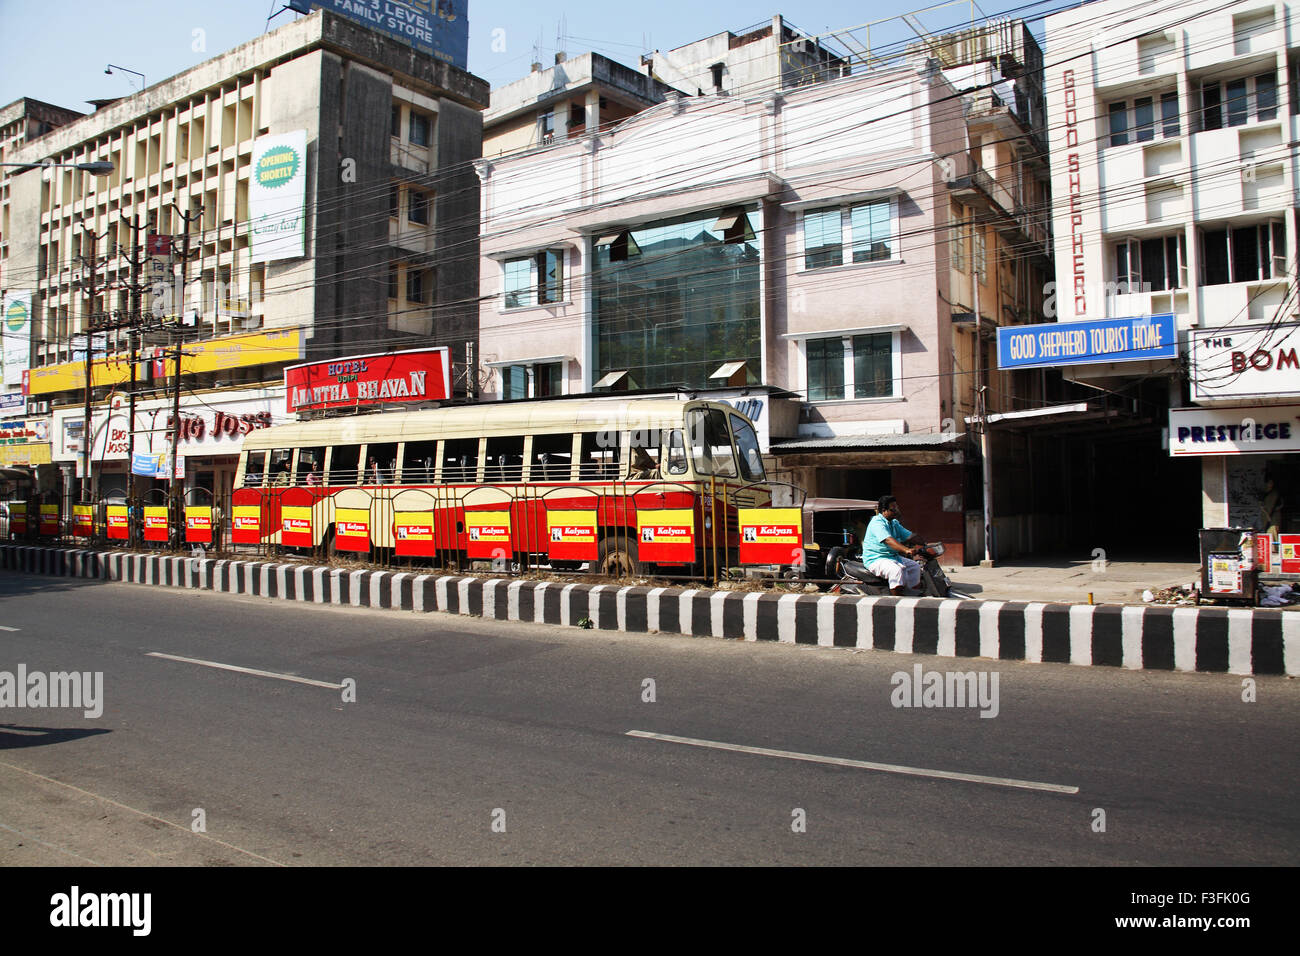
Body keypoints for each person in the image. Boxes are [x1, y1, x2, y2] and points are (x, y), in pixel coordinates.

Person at [861, 495, 923, 595]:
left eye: (896, 507)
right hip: (876, 559)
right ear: (884, 510)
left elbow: (909, 536)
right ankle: (896, 600)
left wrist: (925, 544)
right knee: (896, 570)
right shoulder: (877, 523)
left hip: (892, 557)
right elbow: (888, 540)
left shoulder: (894, 523)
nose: (897, 510)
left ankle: (913, 595)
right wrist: (906, 550)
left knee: (915, 567)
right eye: (893, 509)